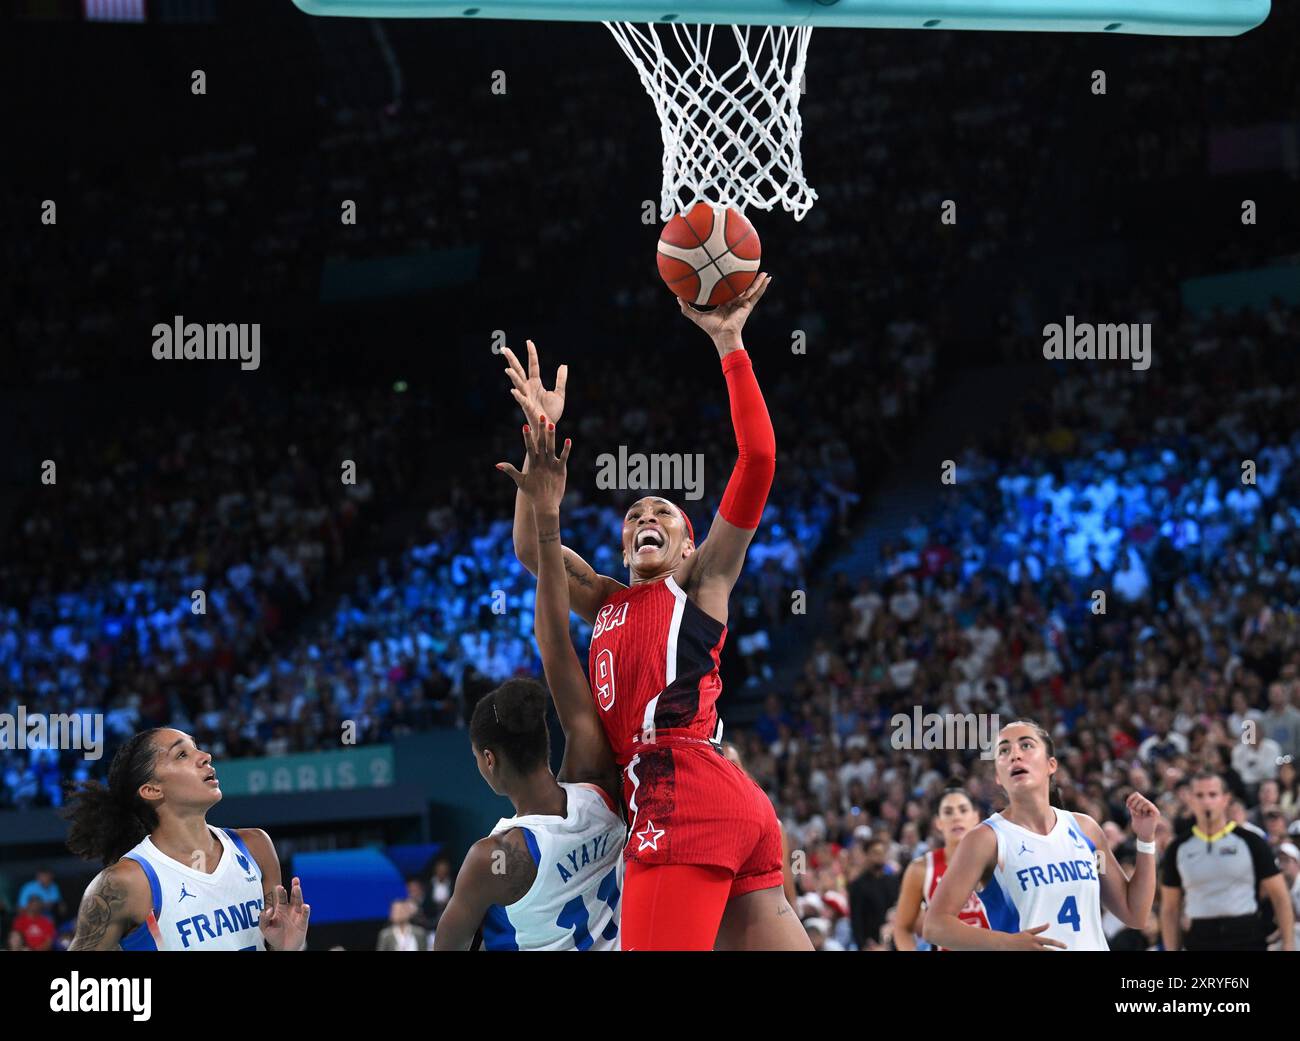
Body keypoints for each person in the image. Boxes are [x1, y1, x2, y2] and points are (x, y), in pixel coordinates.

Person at [503, 275, 809, 951]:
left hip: (682, 795)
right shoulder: (608, 597)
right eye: (635, 514)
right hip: (728, 804)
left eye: (664, 513)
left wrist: (730, 343)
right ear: (622, 543)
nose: (647, 515)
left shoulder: (702, 581)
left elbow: (759, 461)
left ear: (688, 542)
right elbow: (533, 547)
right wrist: (539, 443)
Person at [436, 418, 624, 951]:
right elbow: (556, 645)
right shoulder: (597, 787)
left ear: (488, 761)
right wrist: (547, 515)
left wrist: (542, 508)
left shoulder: (494, 859)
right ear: (545, 740)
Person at [62, 728, 310, 951]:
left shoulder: (255, 846)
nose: (205, 756)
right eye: (181, 754)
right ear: (152, 790)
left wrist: (289, 948)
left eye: (196, 747)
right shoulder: (124, 882)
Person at [924, 720, 1159, 951]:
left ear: (1051, 765)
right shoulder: (987, 839)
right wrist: (1005, 943)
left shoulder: (1085, 830)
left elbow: (1134, 914)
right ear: (998, 775)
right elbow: (935, 926)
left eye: (1026, 745)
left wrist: (1146, 840)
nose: (1015, 754)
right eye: (1004, 750)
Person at [1159, 770, 1294, 951]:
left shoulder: (1251, 842)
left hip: (1247, 936)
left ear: (1225, 799)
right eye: (1199, 795)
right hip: (1199, 938)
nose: (1206, 801)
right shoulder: (1178, 848)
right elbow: (1170, 908)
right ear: (1190, 800)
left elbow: (1280, 896)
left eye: (1212, 795)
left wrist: (1288, 945)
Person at [893, 787, 990, 950]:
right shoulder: (921, 869)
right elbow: (902, 928)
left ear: (976, 817)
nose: (956, 817)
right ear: (938, 822)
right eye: (948, 812)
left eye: (963, 810)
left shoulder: (997, 861)